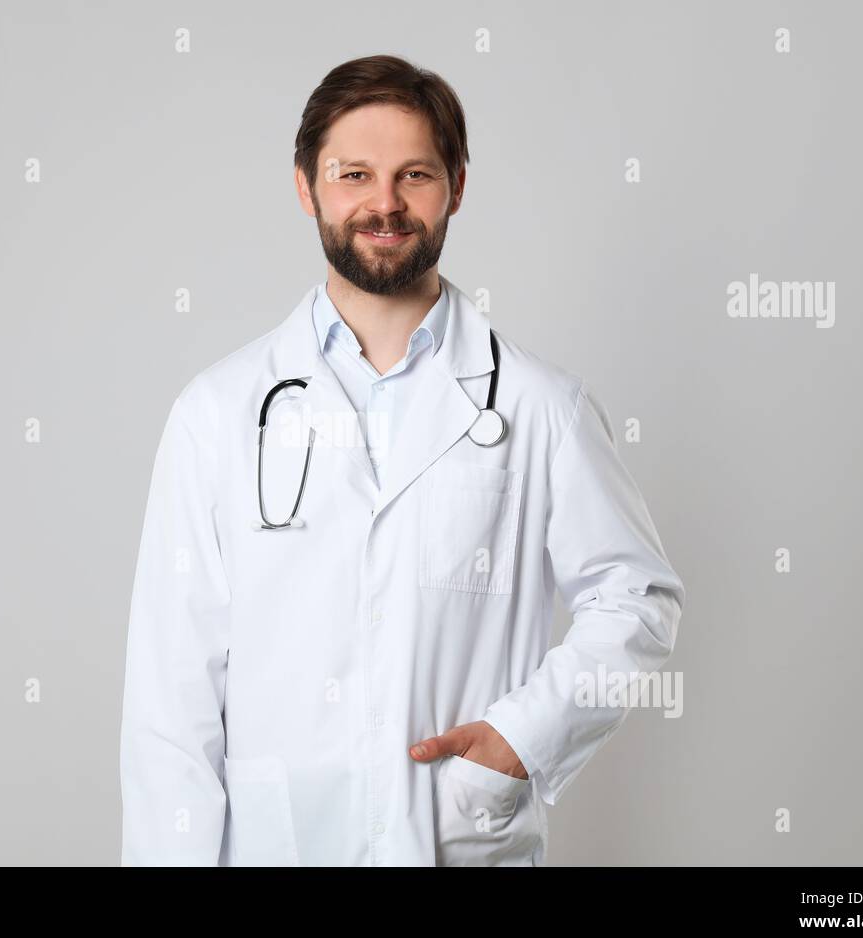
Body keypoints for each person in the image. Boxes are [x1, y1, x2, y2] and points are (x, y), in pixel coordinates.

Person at [120, 54, 685, 866]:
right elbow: (170, 704)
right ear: (306, 188)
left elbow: (638, 596)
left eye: (413, 174)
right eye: (354, 174)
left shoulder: (539, 407)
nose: (383, 204)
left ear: (456, 184)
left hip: (456, 838)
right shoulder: (217, 413)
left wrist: (524, 737)